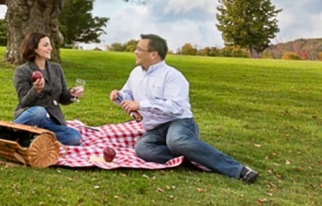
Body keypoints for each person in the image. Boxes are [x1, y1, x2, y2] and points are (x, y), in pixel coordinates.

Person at [109, 34, 258, 183]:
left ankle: (239, 170)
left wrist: (141, 105)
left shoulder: (173, 76)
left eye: (139, 49)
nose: (135, 52)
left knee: (176, 141)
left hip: (179, 122)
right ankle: (194, 158)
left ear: (153, 54)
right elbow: (128, 93)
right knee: (143, 149)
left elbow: (176, 107)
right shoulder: (135, 74)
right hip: (154, 128)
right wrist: (119, 95)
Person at [12, 32, 84, 146]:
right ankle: (8, 132)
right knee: (39, 111)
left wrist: (71, 93)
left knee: (74, 137)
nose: (50, 48)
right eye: (45, 45)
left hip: (50, 121)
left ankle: (32, 139)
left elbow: (63, 98)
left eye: (50, 44)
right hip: (32, 117)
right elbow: (24, 102)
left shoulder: (56, 68)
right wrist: (36, 90)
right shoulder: (22, 71)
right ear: (34, 49)